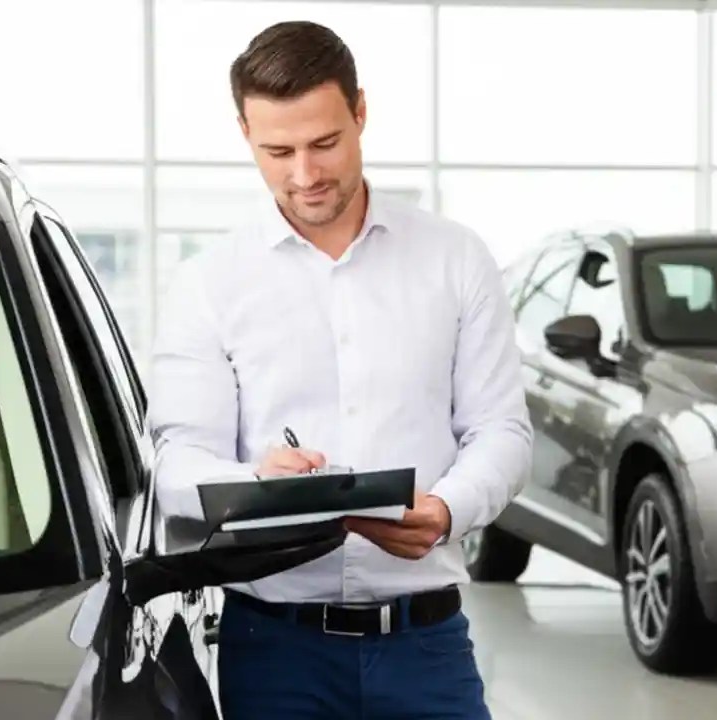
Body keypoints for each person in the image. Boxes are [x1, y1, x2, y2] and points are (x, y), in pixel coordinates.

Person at [147, 19, 532, 720]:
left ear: (360, 111)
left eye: (324, 143)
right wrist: (255, 487)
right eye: (278, 151)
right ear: (245, 134)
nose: (305, 174)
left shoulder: (455, 258)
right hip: (274, 651)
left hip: (427, 644)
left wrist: (448, 510)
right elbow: (176, 464)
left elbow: (502, 430)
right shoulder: (209, 283)